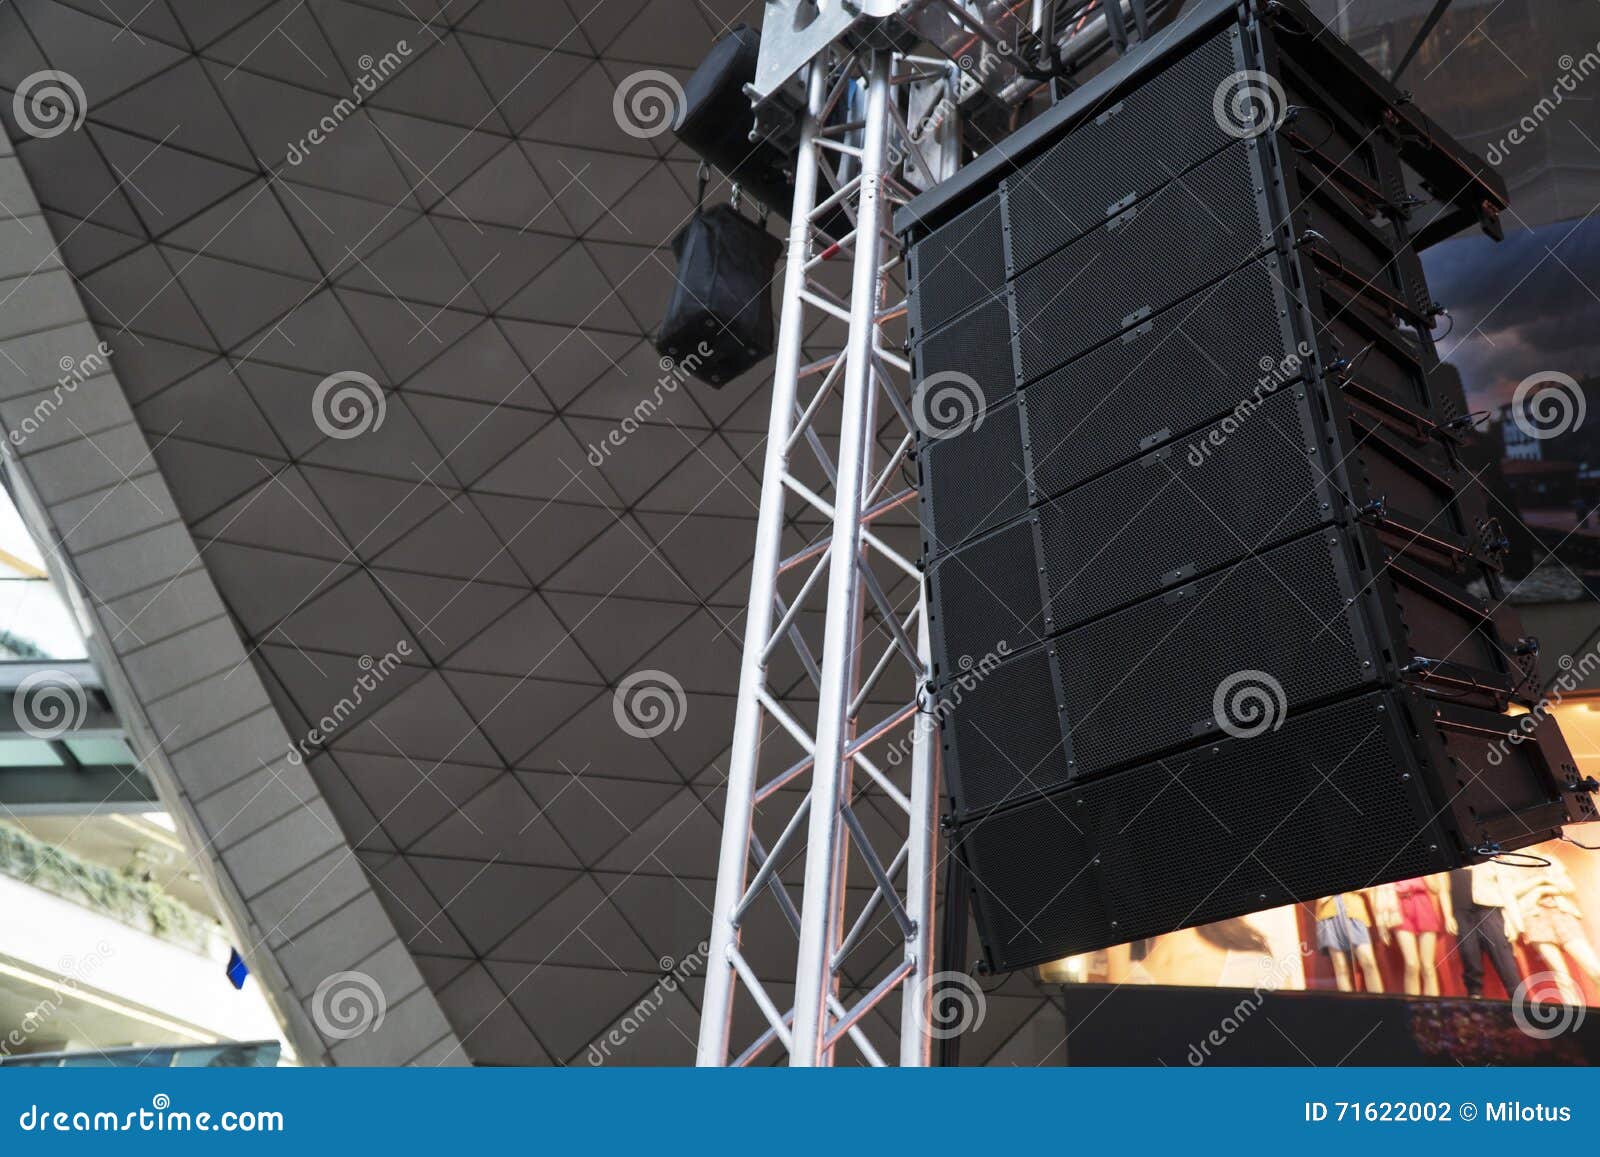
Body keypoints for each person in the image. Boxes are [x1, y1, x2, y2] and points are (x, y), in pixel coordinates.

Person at [1443, 862, 1522, 998]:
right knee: (1469, 954)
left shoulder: (1490, 861)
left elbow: (1505, 890)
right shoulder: (1449, 863)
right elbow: (1444, 890)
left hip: (1489, 910)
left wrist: (1511, 921)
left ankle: (1519, 1000)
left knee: (1503, 956)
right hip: (1462, 912)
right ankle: (1475, 995)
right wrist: (1448, 916)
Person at [1314, 892, 1382, 992]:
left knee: (1368, 961)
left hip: (1354, 910)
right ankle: (1350, 1006)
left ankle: (1379, 1004)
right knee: (1340, 966)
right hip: (1328, 912)